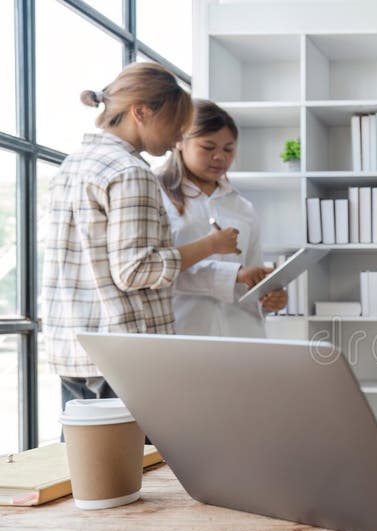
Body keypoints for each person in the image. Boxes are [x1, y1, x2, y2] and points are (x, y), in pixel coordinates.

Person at [42, 62, 241, 409]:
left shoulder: (73, 165)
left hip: (76, 350)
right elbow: (136, 270)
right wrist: (210, 246)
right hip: (125, 354)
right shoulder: (130, 172)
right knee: (140, 462)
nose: (179, 137)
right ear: (141, 112)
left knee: (88, 461)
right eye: (177, 125)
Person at [158, 99, 287, 337]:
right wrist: (233, 274)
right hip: (184, 334)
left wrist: (269, 298)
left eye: (228, 149)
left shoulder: (243, 207)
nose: (219, 157)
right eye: (208, 147)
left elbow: (254, 275)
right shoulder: (157, 196)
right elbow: (155, 271)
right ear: (179, 141)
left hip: (242, 334)